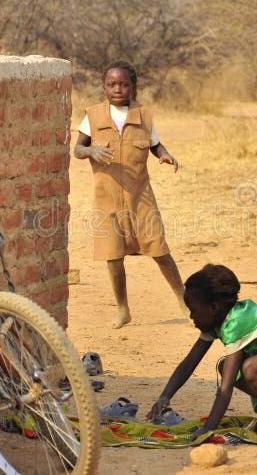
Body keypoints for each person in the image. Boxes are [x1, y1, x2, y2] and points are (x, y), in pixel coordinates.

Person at [73, 60, 185, 328]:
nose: (118, 89)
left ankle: (184, 302)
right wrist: (91, 151)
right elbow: (78, 149)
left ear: (133, 87)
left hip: (140, 198)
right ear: (104, 87)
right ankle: (123, 309)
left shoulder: (144, 116)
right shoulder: (93, 116)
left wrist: (165, 155)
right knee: (113, 257)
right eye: (111, 84)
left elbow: (156, 145)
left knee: (160, 251)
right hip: (107, 199)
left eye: (124, 84)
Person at [146, 264, 257, 439]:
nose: (191, 317)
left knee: (251, 369)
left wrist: (208, 428)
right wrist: (165, 396)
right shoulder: (215, 321)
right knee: (226, 366)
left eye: (193, 311)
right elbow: (189, 363)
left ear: (214, 308)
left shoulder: (238, 321)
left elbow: (226, 388)